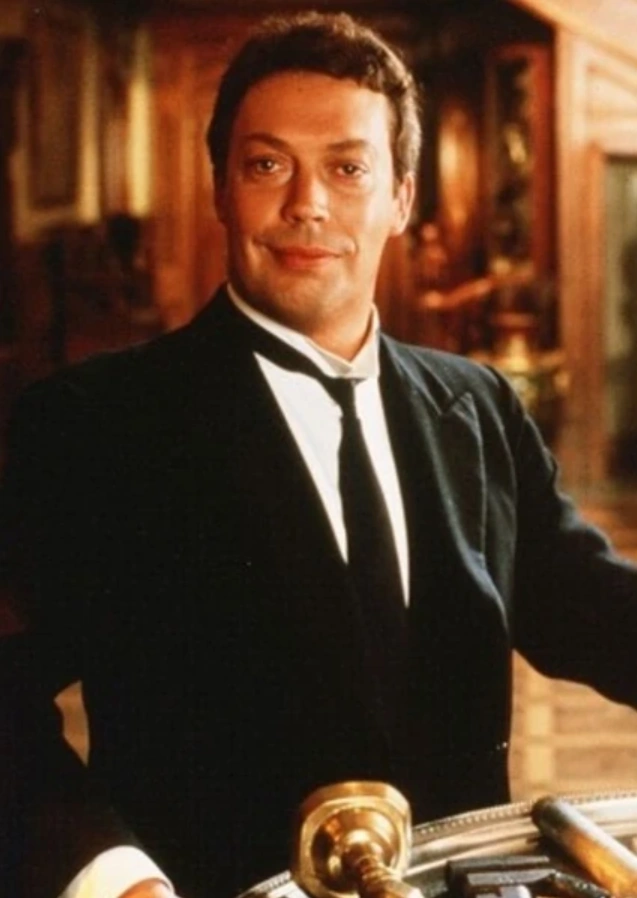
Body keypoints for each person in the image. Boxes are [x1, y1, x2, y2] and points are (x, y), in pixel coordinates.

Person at [1, 11, 637, 898]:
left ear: (401, 198)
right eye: (267, 165)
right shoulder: (92, 423)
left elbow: (590, 609)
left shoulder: (478, 406)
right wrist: (115, 880)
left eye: (347, 168)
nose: (307, 203)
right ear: (220, 187)